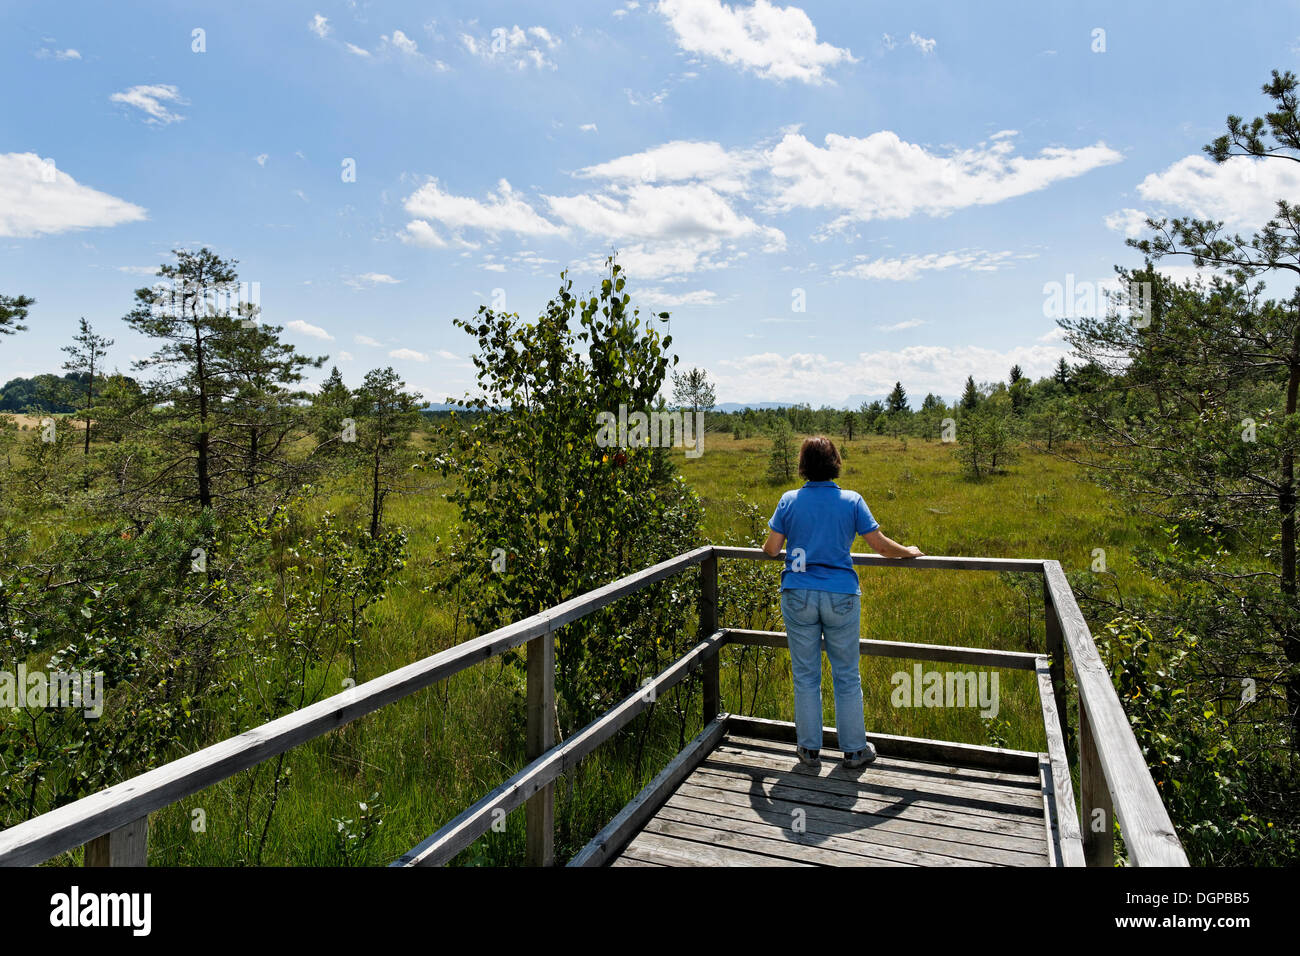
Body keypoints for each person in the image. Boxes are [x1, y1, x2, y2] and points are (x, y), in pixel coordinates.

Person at [762, 435, 923, 770]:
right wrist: (909, 552)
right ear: (835, 461)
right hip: (840, 595)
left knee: (805, 675)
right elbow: (879, 546)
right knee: (846, 674)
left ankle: (809, 751)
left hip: (798, 593)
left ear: (803, 465)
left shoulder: (789, 500)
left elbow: (772, 549)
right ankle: (853, 751)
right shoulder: (852, 501)